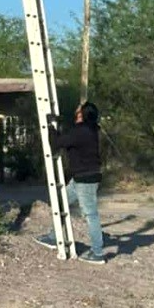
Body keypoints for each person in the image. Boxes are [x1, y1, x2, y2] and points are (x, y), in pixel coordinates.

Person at [34, 101, 105, 264]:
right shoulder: (90, 129)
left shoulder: (81, 131)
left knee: (91, 215)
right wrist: (57, 124)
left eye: (78, 109)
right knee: (61, 203)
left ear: (81, 115)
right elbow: (68, 137)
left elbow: (56, 144)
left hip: (85, 179)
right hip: (81, 177)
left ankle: (98, 253)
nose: (76, 109)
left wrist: (50, 127)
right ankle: (54, 237)